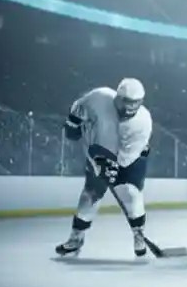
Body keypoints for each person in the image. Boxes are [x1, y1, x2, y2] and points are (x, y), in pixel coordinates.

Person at [54, 78, 154, 258]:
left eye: (135, 103)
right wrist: (73, 123)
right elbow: (79, 106)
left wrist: (109, 170)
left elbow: (126, 158)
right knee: (90, 195)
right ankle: (76, 237)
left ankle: (138, 234)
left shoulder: (143, 122)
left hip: (131, 158)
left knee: (131, 193)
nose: (130, 107)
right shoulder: (99, 97)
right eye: (126, 101)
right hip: (98, 152)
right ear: (118, 96)